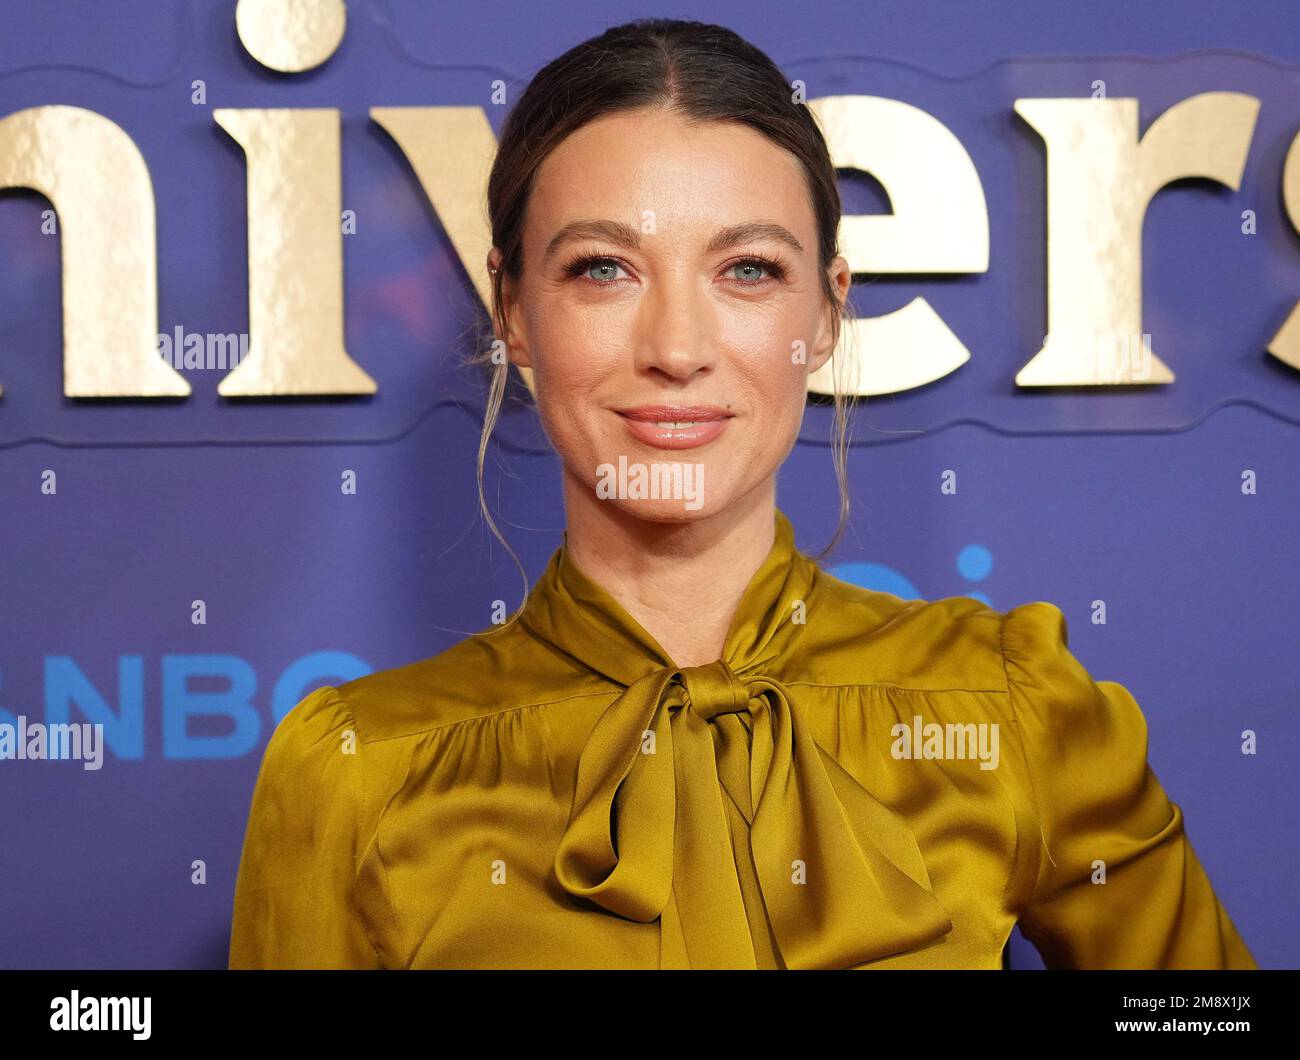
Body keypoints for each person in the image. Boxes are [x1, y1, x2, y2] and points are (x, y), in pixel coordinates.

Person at [227, 18, 1256, 970]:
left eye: (749, 270)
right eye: (601, 269)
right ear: (514, 312)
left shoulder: (1011, 706)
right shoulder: (360, 768)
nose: (676, 349)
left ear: (827, 309)